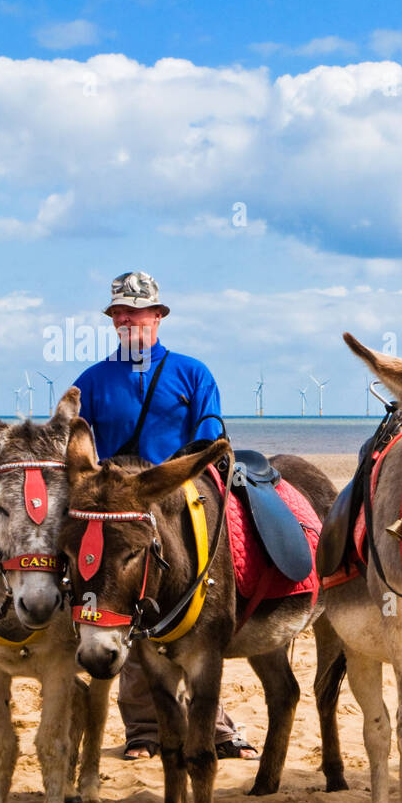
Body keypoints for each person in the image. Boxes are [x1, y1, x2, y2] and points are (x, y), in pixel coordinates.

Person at [72, 271, 258, 760]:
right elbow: (77, 450)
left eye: (137, 311)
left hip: (182, 503)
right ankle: (143, 732)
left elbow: (212, 439)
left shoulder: (192, 372)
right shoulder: (90, 381)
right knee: (124, 609)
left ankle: (215, 725)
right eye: (119, 313)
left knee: (204, 619)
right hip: (117, 514)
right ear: (113, 320)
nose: (128, 319)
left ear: (158, 316)